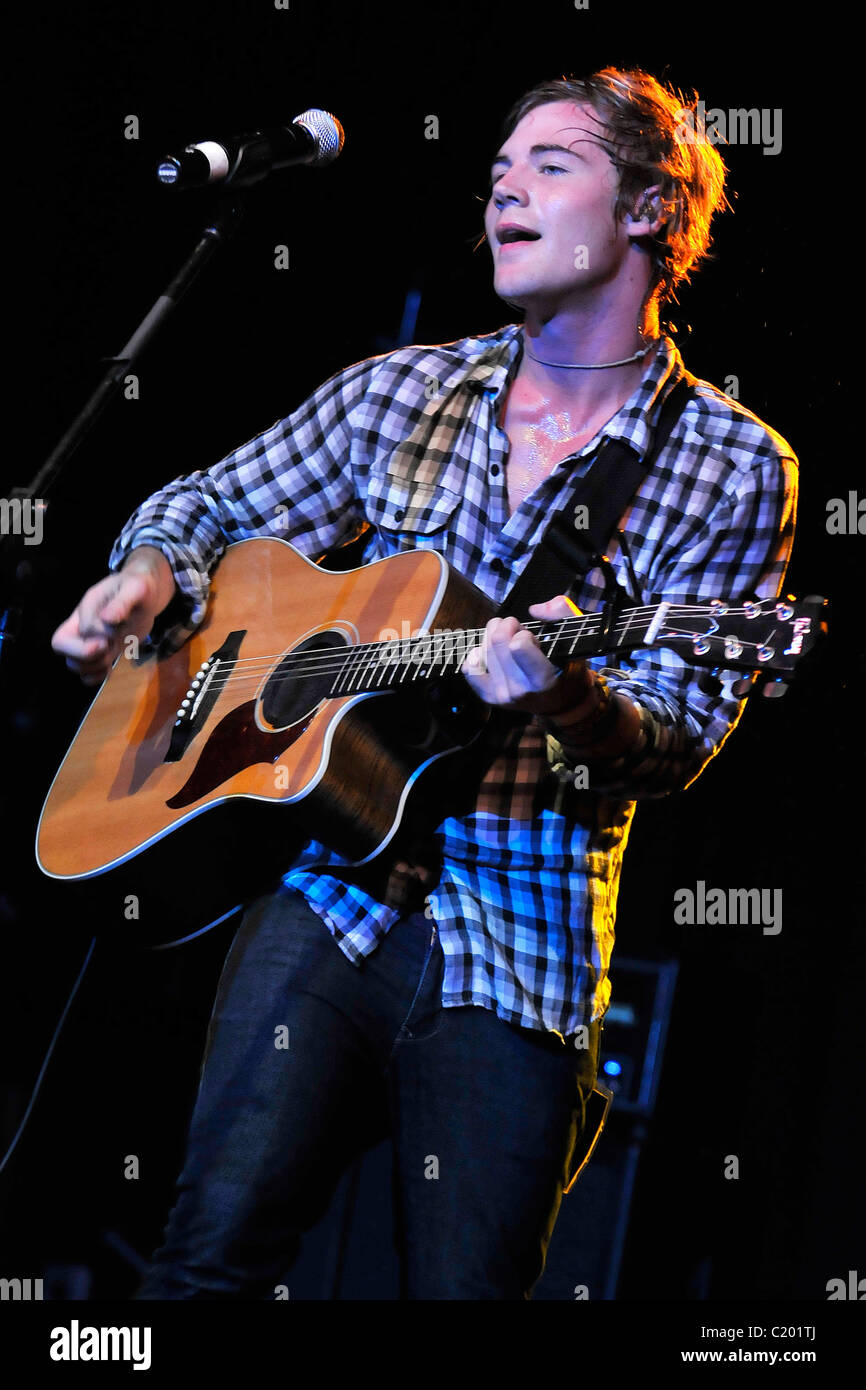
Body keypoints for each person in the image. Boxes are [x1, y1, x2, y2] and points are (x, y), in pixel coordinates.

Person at [51, 66, 797, 1299]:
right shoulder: (401, 388)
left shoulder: (729, 464)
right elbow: (206, 505)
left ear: (651, 210)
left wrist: (566, 697)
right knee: (203, 1269)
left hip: (523, 925)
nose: (504, 184)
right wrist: (142, 576)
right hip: (327, 890)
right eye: (497, 169)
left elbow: (672, 736)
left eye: (549, 165)